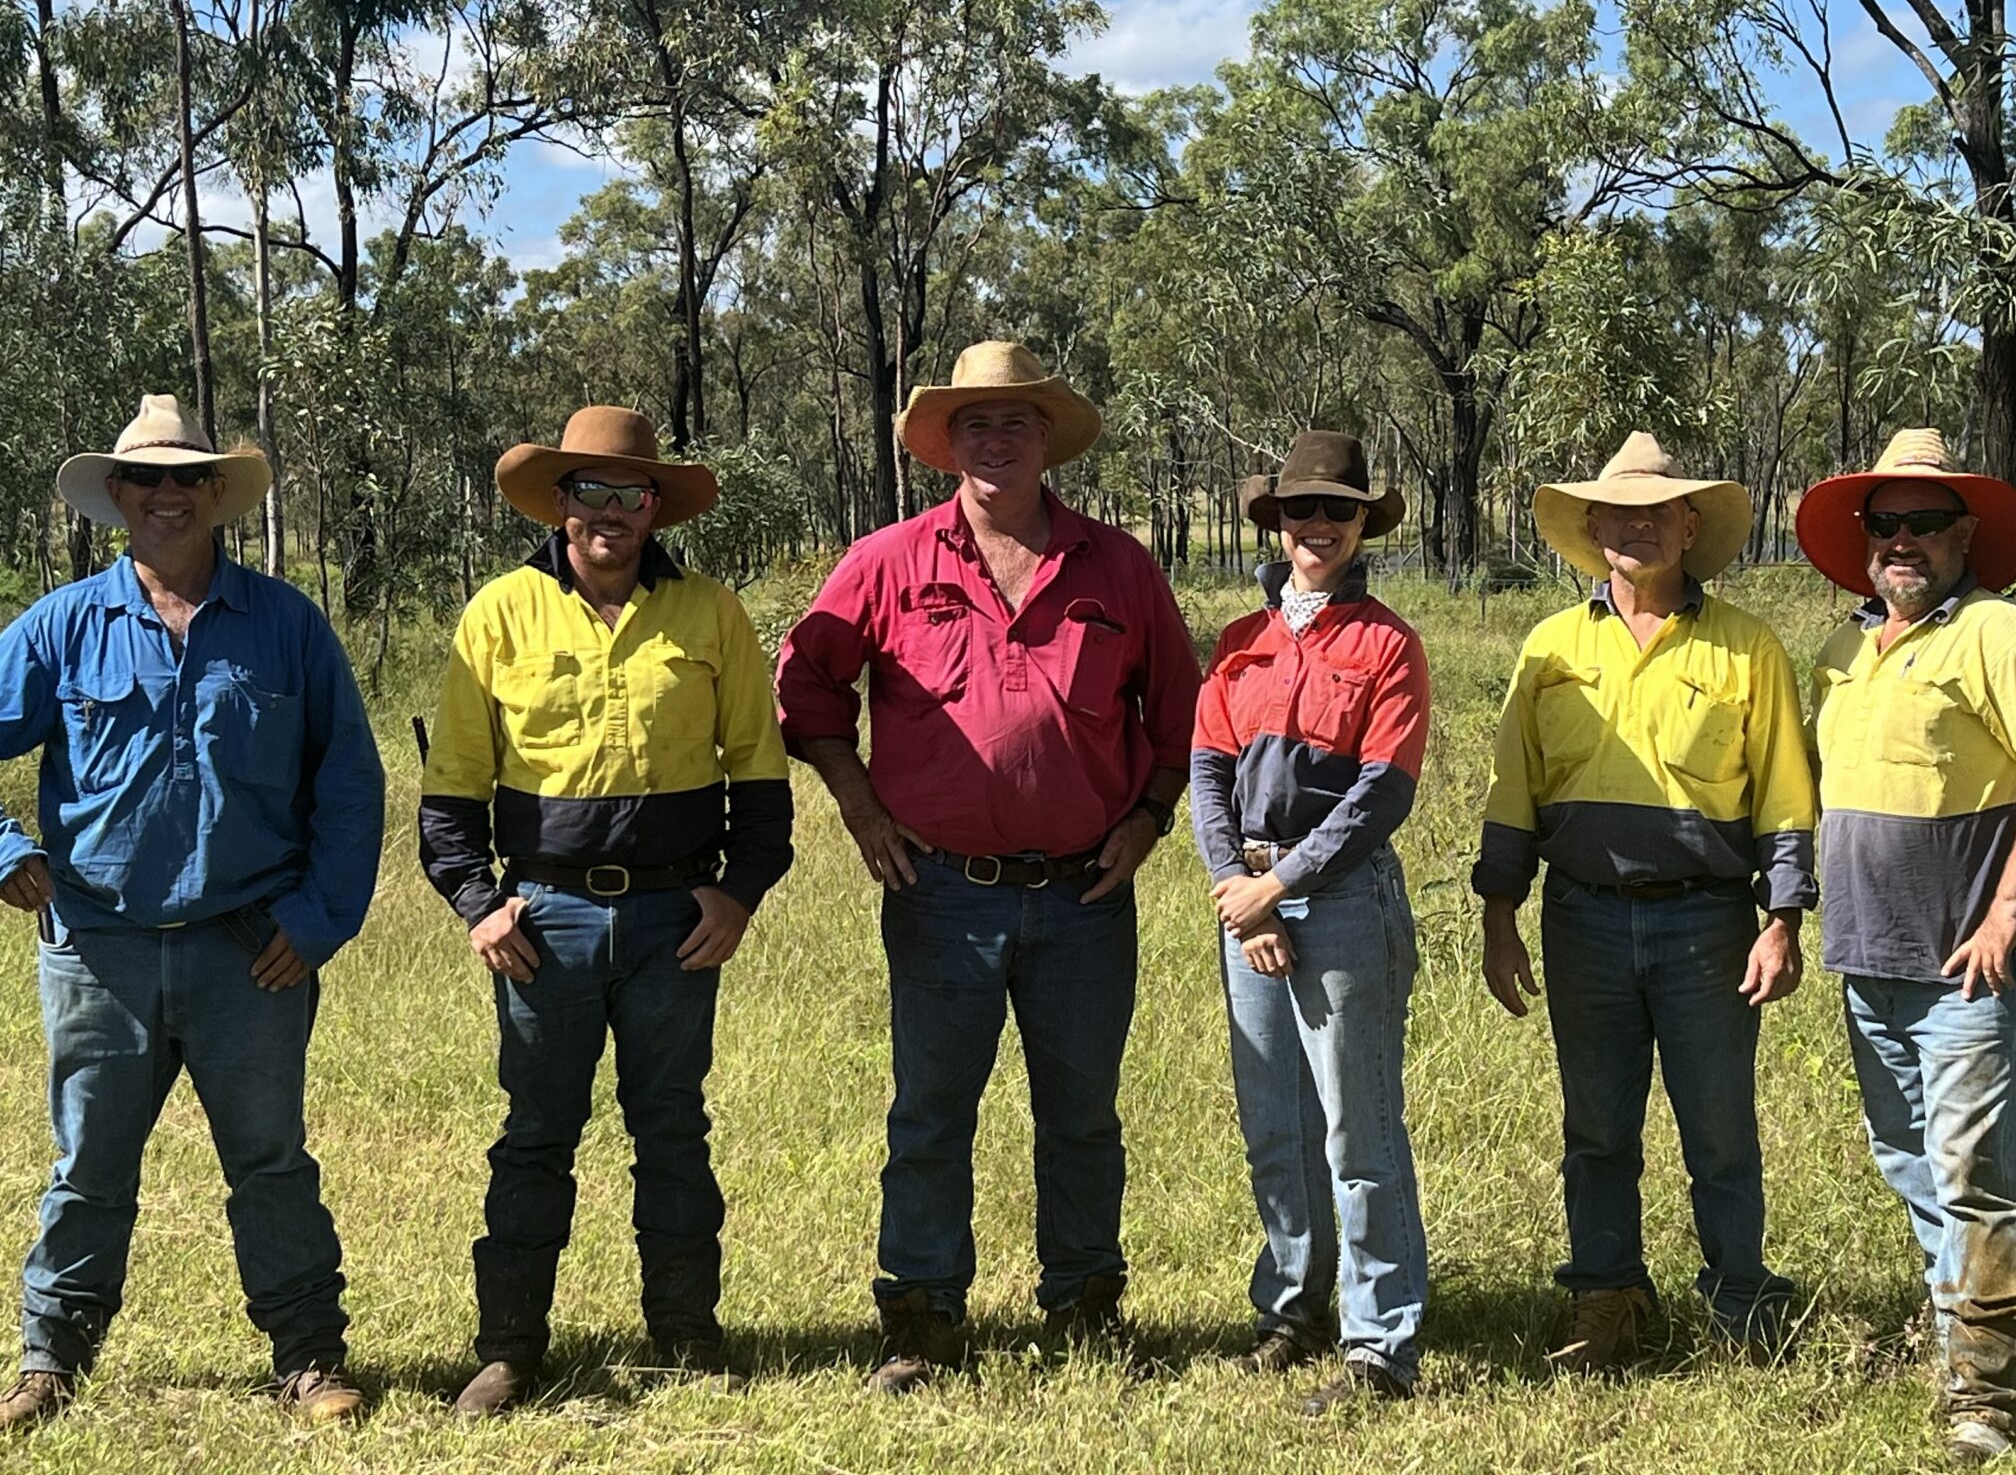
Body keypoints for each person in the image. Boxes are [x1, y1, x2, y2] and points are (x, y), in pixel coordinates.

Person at [776, 341, 1201, 1393]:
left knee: (1082, 1111)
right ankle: (920, 1316)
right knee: (930, 1108)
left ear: (1045, 438)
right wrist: (859, 801)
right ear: (945, 442)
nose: (995, 439)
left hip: (1083, 893)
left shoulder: (1118, 566)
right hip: (940, 893)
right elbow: (807, 689)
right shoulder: (885, 560)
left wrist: (1147, 819)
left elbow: (1181, 713)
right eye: (974, 422)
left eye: (1014, 421)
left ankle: (1084, 1302)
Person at [0, 394, 384, 1429]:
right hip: (97, 951)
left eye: (186, 478)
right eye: (145, 480)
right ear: (115, 497)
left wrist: (314, 922)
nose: (166, 495)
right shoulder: (63, 625)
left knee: (270, 1161)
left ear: (216, 494)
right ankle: (49, 1359)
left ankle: (308, 1357)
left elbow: (349, 780)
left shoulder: (286, 625)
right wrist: (4, 849)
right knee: (89, 1167)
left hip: (247, 948)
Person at [419, 406, 792, 1417]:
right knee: (535, 1132)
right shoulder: (497, 613)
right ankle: (506, 1349)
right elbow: (451, 788)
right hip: (544, 919)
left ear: (655, 508)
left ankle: (686, 1333)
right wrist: (477, 902)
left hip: (677, 917)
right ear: (558, 501)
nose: (610, 511)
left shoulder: (712, 613)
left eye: (631, 493)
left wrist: (739, 890)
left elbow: (759, 773)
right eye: (590, 489)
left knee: (672, 1129)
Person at [1472, 432, 1816, 1372]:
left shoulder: (1749, 646)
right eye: (1619, 512)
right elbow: (1515, 787)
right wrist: (1501, 915)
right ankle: (1606, 1301)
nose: (1637, 527)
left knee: (1720, 1127)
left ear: (1690, 525)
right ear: (1591, 528)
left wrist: (1782, 919)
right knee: (1595, 1126)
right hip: (1580, 916)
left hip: (1709, 922)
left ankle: (1743, 1307)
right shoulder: (1551, 646)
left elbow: (1786, 791)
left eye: (1657, 511)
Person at [1798, 429, 2016, 1466]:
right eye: (1884, 524)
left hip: (1966, 964)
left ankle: (1984, 1398)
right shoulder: (1842, 648)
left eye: (1924, 523)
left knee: (1975, 1174)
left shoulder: (1999, 631)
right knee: (1908, 1163)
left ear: (1963, 535)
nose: (1902, 541)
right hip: (1869, 959)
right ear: (1863, 542)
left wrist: (2003, 913)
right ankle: (1964, 1343)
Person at [1189, 430, 1430, 1416]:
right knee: (1273, 1126)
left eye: (1336, 509)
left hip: (1337, 901)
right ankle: (1290, 1305)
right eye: (1300, 509)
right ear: (1275, 522)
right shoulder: (1238, 641)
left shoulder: (1385, 644)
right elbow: (1207, 771)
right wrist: (1234, 888)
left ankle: (1379, 1338)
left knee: (1356, 1128)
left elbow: (1379, 794)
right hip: (1245, 904)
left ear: (1362, 522)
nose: (1316, 525)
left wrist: (1277, 883)